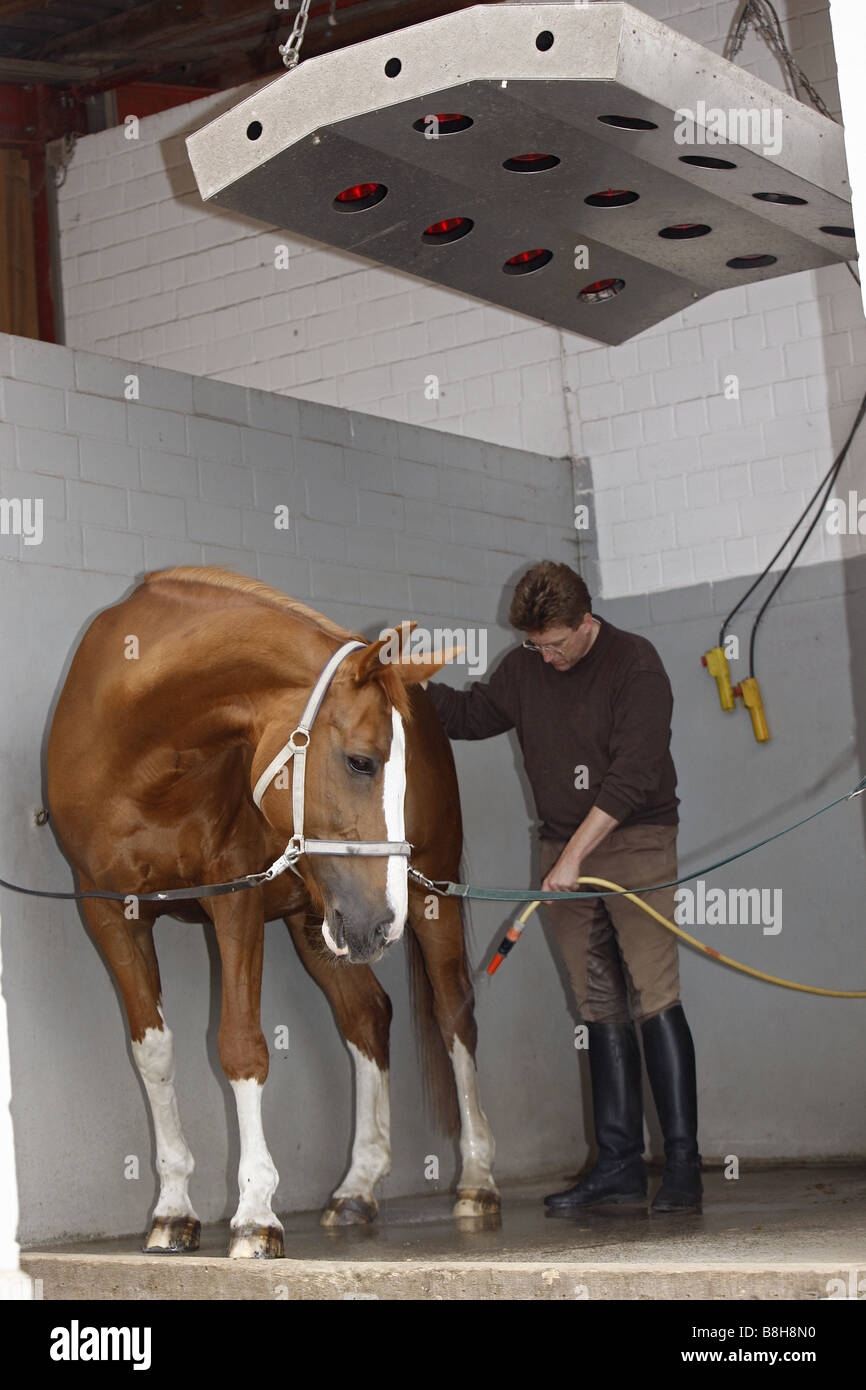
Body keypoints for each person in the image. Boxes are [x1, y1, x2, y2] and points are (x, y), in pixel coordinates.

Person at [422, 560, 702, 1213]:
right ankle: (619, 1166)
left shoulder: (636, 665)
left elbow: (633, 775)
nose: (544, 656)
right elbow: (468, 714)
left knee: (654, 994)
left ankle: (684, 1168)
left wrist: (574, 856)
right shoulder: (525, 669)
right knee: (597, 1004)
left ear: (585, 621)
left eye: (554, 643)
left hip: (633, 841)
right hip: (562, 852)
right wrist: (403, 687)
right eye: (533, 644)